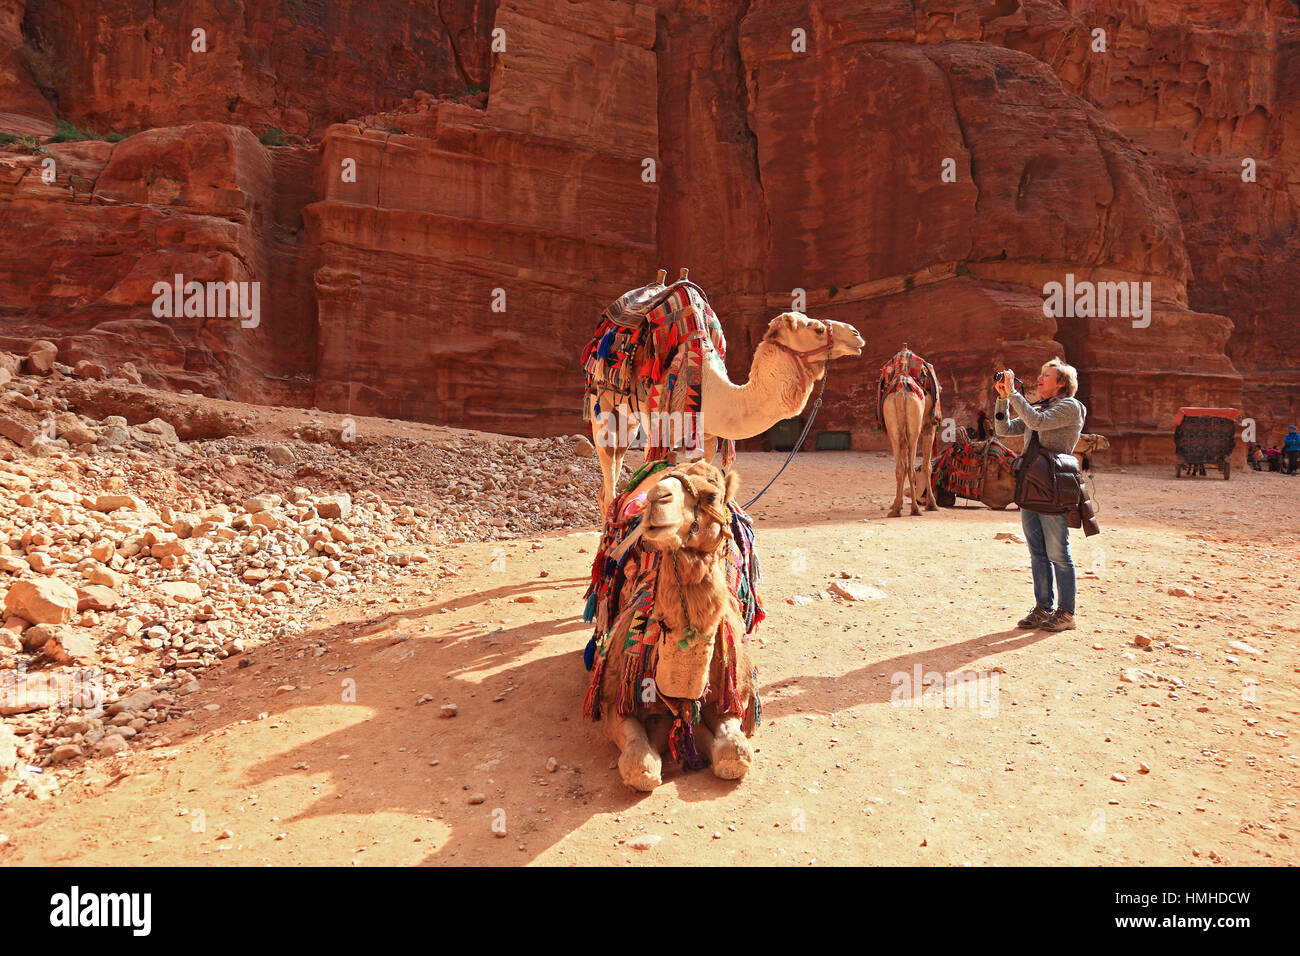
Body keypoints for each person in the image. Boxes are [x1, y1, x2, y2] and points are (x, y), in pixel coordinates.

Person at [994, 358, 1086, 632]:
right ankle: (1043, 608)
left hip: (1053, 485)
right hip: (1031, 484)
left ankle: (1066, 613)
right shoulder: (1040, 407)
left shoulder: (1070, 407)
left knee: (1058, 553)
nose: (1039, 378)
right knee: (1037, 553)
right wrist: (1002, 399)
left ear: (1062, 383)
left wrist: (1013, 394)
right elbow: (1004, 430)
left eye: (1046, 375)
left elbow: (1036, 421)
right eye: (1041, 373)